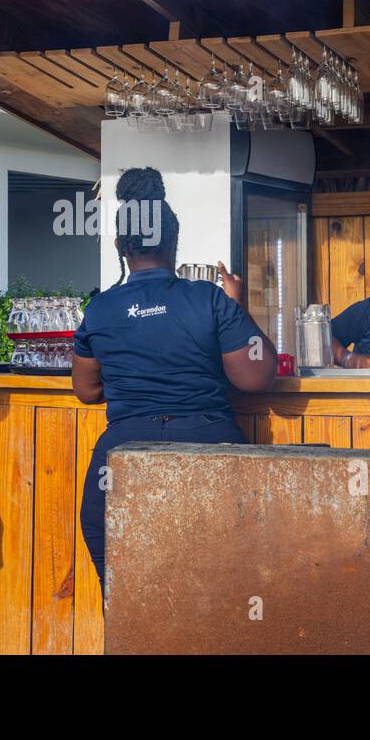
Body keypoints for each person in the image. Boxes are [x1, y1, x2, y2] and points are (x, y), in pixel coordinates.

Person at [71, 166, 277, 586]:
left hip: (122, 459)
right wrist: (236, 306)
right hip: (211, 450)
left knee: (127, 596)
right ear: (174, 242)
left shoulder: (99, 310)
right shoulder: (209, 298)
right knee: (216, 594)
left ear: (120, 247)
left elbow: (86, 390)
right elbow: (256, 377)